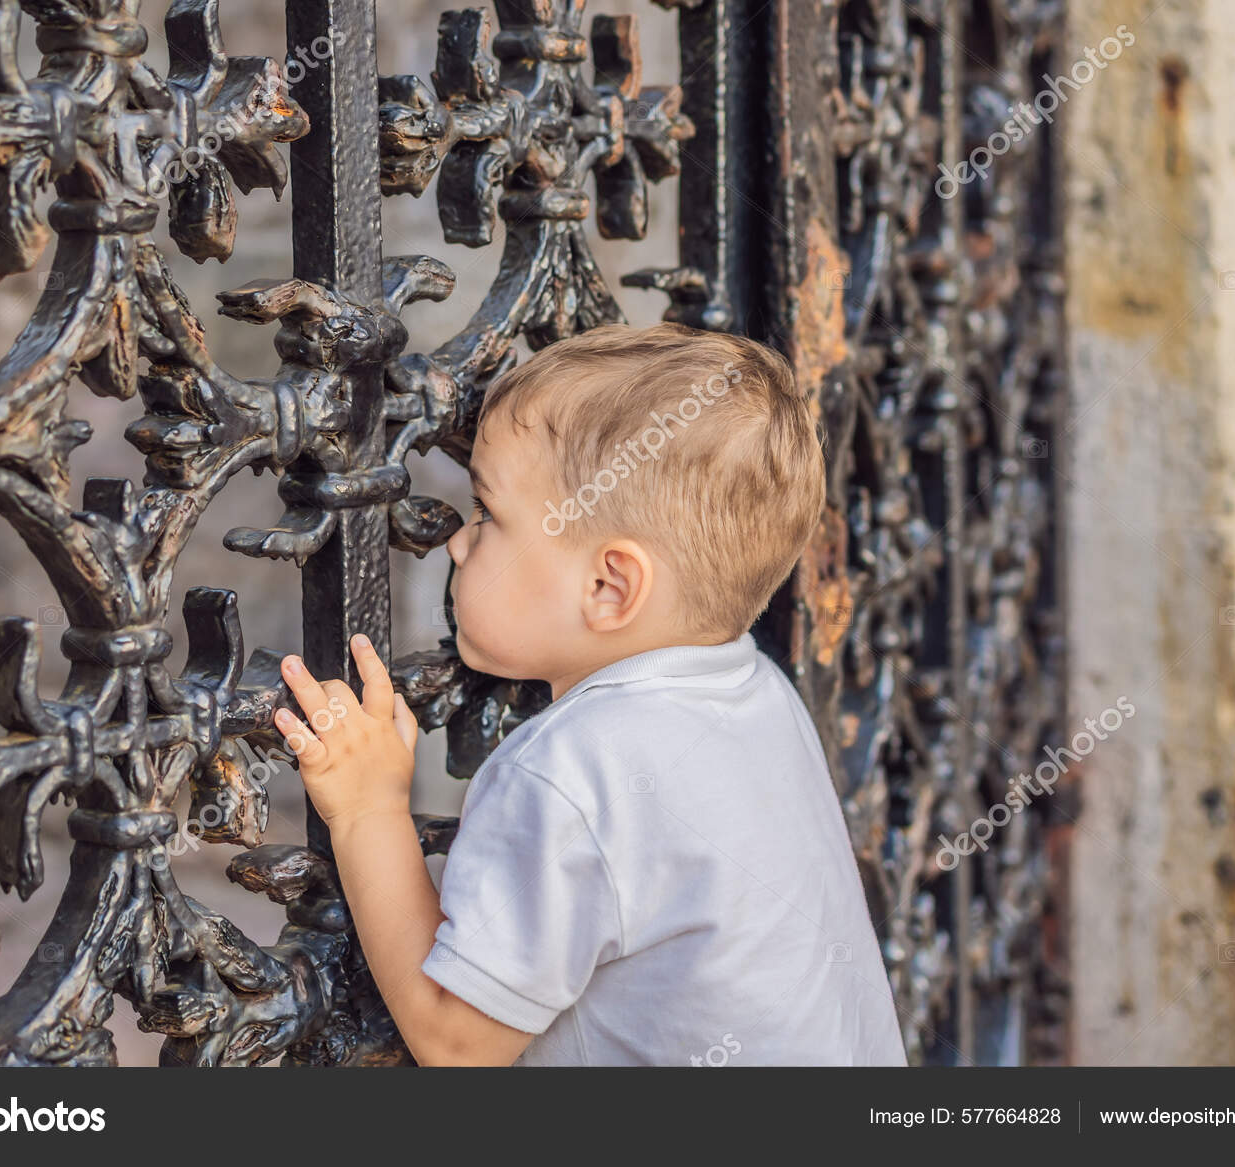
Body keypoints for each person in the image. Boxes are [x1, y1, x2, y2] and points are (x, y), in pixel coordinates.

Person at [273, 323, 906, 1066]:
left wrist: (369, 809)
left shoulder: (568, 772)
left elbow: (456, 1040)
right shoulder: (765, 696)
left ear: (609, 587)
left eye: (487, 514)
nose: (457, 541)